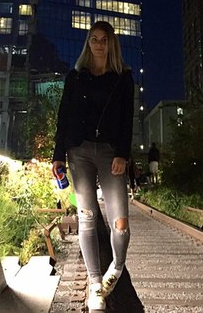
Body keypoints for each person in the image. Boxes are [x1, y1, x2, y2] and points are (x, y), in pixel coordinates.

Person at [52, 21, 134, 311]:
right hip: (79, 152)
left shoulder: (123, 78)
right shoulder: (75, 77)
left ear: (111, 44)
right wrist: (57, 155)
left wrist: (123, 153)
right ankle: (96, 284)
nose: (99, 44)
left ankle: (117, 268)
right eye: (94, 39)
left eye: (104, 40)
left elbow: (127, 119)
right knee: (86, 217)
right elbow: (64, 116)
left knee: (120, 223)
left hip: (111, 153)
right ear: (88, 43)